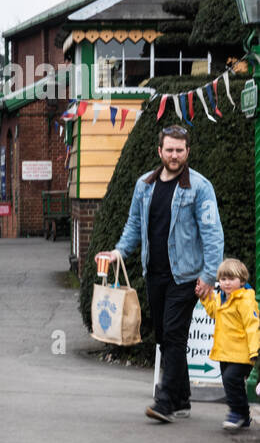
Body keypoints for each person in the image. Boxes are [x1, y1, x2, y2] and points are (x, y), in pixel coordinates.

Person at [96, 125, 224, 423]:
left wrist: (208, 276)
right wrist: (118, 253)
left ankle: (164, 402)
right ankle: (182, 399)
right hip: (154, 273)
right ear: (160, 151)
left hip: (187, 277)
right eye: (170, 150)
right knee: (164, 337)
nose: (175, 155)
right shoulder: (144, 185)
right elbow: (133, 226)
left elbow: (213, 235)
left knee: (175, 337)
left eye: (180, 150)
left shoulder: (200, 188)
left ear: (187, 152)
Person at [197, 258, 260, 430]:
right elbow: (213, 313)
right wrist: (204, 298)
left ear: (242, 280)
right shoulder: (221, 298)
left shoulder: (245, 300)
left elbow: (253, 325)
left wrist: (255, 350)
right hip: (224, 352)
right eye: (223, 279)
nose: (227, 283)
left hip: (242, 353)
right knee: (231, 383)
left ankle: (236, 413)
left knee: (231, 379)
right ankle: (244, 416)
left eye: (231, 279)